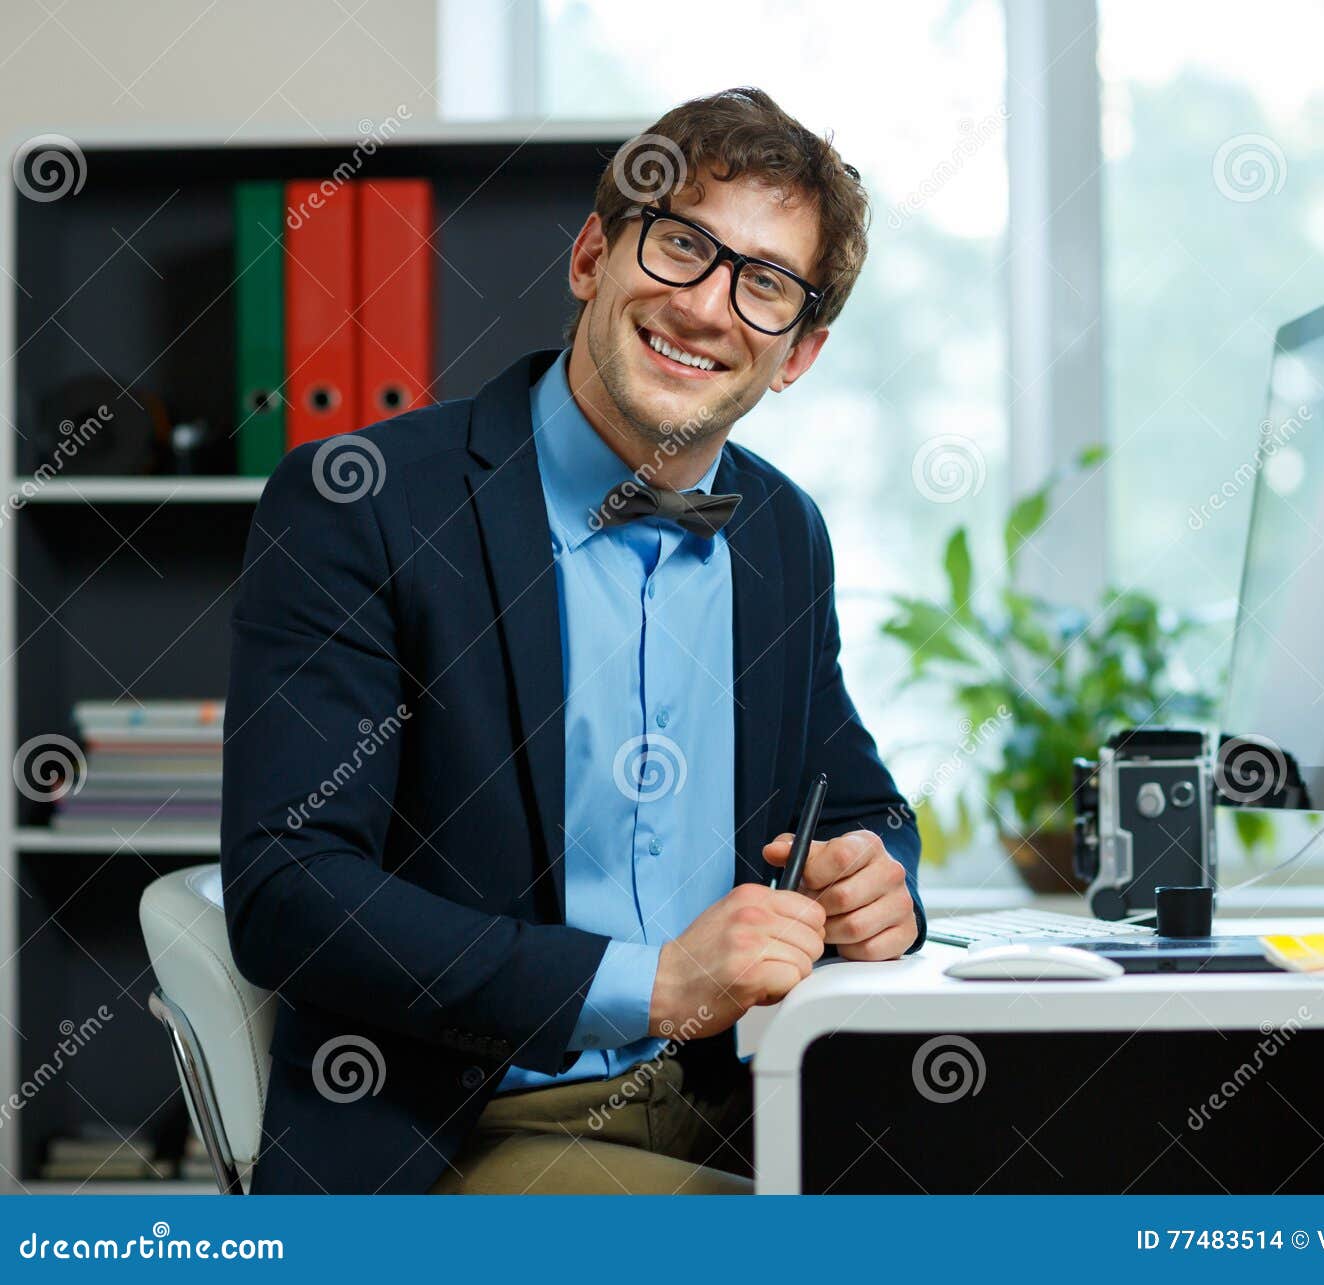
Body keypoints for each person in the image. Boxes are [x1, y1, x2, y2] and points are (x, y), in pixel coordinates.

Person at [221, 86, 923, 1195]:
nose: (706, 306)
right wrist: (650, 984)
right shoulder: (360, 504)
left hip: (751, 1099)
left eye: (765, 283)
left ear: (797, 353)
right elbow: (289, 894)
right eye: (681, 244)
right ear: (595, 254)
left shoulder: (784, 531)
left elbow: (854, 806)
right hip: (467, 1130)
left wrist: (882, 882)